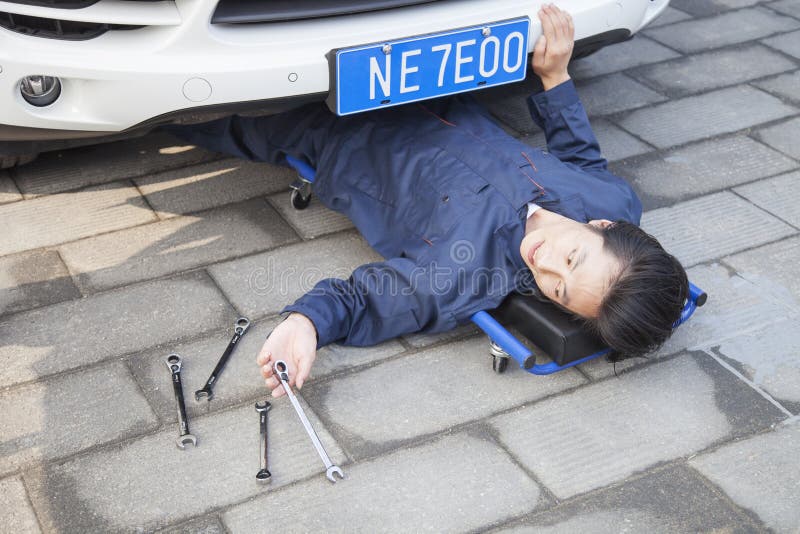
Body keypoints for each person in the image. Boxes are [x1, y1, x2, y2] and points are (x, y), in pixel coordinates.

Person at [166, 5, 688, 398]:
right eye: (572, 258)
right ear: (601, 224)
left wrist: (305, 324)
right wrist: (555, 79)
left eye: (559, 291)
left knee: (190, 100)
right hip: (433, 83)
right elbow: (584, 159)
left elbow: (366, 301)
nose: (546, 265)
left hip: (325, 129)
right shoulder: (614, 200)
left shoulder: (461, 278)